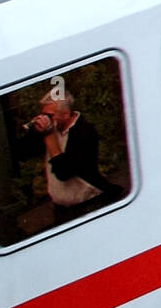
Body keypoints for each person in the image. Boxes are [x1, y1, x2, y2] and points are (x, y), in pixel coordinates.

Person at [21, 91, 123, 225]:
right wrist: (35, 130)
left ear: (66, 114)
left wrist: (49, 137)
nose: (47, 119)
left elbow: (64, 172)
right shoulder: (53, 128)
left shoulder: (84, 132)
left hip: (89, 205)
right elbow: (24, 153)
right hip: (61, 208)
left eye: (49, 115)